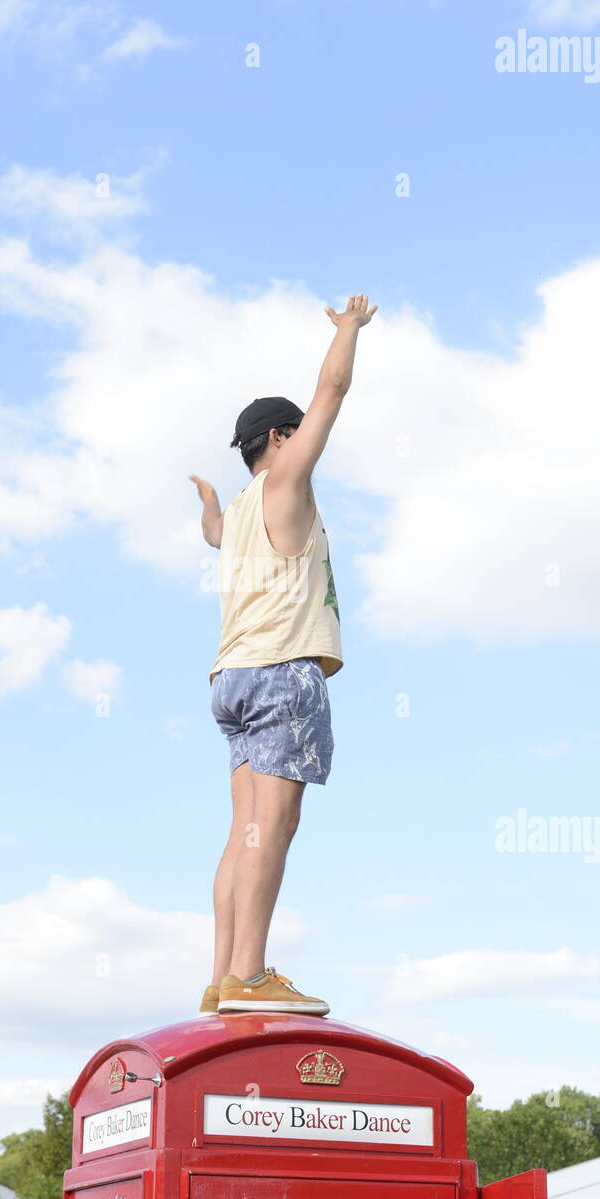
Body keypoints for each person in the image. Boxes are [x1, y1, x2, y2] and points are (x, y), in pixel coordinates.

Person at [190, 293, 378, 1015]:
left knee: (243, 829)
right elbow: (330, 391)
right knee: (275, 824)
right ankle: (248, 973)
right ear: (276, 440)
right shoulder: (285, 483)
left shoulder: (237, 513)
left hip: (231, 681)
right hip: (280, 674)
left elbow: (209, 534)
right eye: (294, 436)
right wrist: (348, 330)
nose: (305, 445)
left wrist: (207, 499)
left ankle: (220, 976)